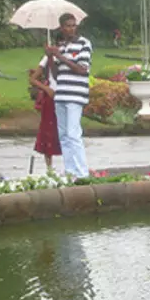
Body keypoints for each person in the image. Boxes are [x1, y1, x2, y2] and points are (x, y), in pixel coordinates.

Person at [40, 13, 92, 179]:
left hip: (75, 95)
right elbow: (56, 74)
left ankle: (82, 173)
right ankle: (70, 171)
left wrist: (59, 56)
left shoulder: (84, 43)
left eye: (73, 25)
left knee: (73, 133)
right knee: (63, 135)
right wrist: (50, 57)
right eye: (67, 26)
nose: (71, 28)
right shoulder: (60, 46)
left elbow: (82, 69)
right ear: (61, 28)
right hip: (61, 94)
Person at [28, 65, 61, 171]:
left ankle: (71, 168)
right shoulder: (47, 58)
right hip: (50, 99)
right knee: (48, 131)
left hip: (65, 96)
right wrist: (46, 89)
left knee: (67, 132)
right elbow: (32, 79)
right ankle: (49, 168)